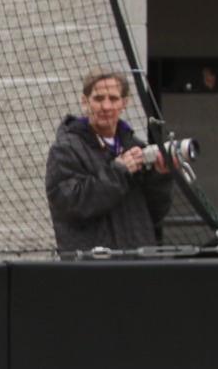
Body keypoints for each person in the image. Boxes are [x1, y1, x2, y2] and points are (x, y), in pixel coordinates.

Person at [45, 69, 173, 254]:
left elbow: (154, 212)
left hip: (139, 262)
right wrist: (118, 171)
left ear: (124, 103)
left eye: (113, 99)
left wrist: (160, 176)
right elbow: (72, 205)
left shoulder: (136, 147)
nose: (106, 106)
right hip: (93, 267)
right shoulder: (66, 149)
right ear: (85, 101)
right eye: (98, 99)